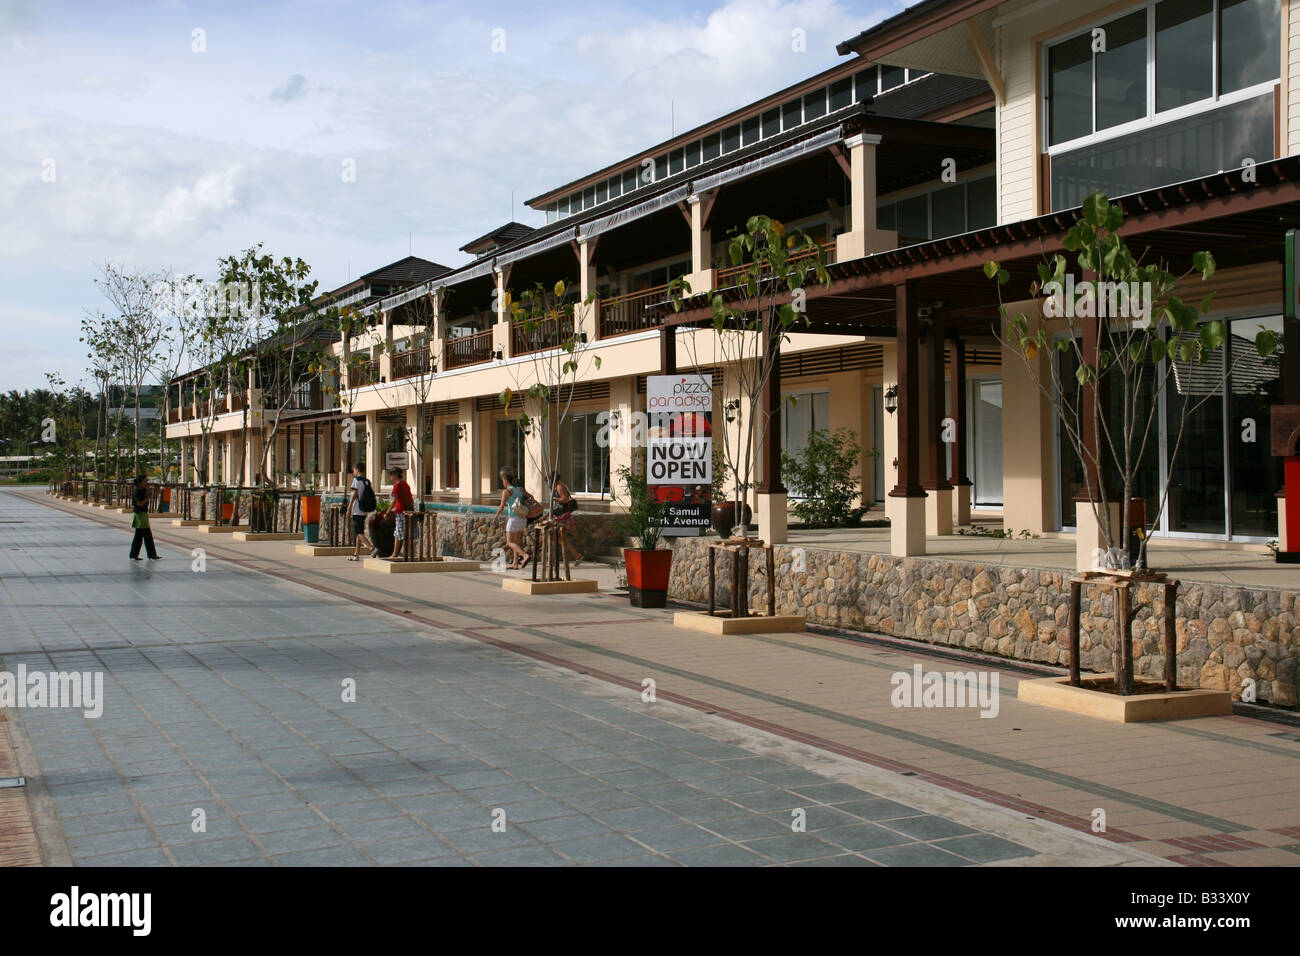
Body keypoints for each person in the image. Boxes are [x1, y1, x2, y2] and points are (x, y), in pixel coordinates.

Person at [492, 469, 530, 570]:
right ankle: (515, 563)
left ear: (505, 479)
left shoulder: (507, 491)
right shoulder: (520, 489)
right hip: (522, 518)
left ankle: (525, 555)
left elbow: (501, 507)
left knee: (510, 543)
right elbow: (531, 497)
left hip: (513, 519)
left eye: (502, 480)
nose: (502, 482)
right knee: (516, 542)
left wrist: (495, 518)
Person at [347, 463, 377, 561]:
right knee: (359, 531)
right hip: (364, 510)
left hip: (357, 510)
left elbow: (355, 494)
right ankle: (356, 554)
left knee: (358, 532)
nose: (353, 472)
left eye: (354, 470)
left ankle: (371, 548)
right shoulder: (367, 481)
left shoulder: (356, 480)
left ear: (357, 469)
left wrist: (349, 507)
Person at [385, 466, 417, 560]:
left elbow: (394, 500)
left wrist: (387, 512)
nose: (390, 477)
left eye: (391, 474)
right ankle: (404, 554)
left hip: (400, 512)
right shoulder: (405, 484)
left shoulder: (397, 485)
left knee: (400, 534)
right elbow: (410, 499)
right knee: (403, 534)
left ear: (395, 474)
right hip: (407, 511)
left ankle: (398, 554)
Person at [551, 472, 582, 565]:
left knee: (558, 537)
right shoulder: (558, 486)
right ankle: (576, 555)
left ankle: (554, 560)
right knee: (559, 538)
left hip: (563, 516)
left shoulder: (559, 487)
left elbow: (565, 499)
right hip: (560, 515)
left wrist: (555, 499)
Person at [129, 475, 160, 561]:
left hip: (143, 515)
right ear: (140, 483)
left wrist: (151, 491)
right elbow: (139, 504)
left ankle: (138, 554)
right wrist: (147, 498)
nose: (147, 483)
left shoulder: (142, 490)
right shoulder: (137, 491)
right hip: (139, 515)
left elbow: (149, 495)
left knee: (143, 536)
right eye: (145, 481)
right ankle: (150, 554)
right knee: (144, 535)